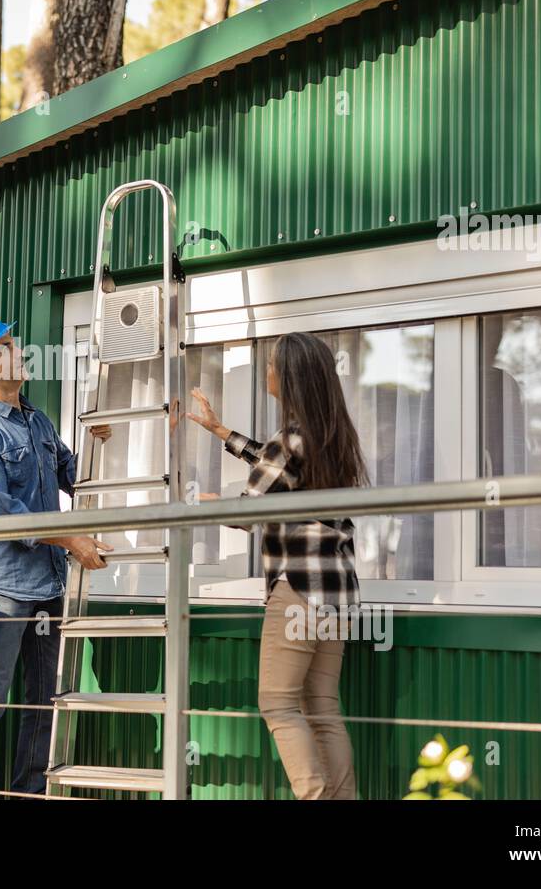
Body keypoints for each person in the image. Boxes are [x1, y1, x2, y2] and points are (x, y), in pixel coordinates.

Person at [185, 331, 366, 800]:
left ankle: (314, 796)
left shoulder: (289, 441)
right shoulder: (333, 436)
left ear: (288, 377)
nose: (266, 373)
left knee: (278, 704)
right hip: (338, 593)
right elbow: (281, 471)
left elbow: (248, 512)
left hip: (299, 593)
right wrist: (222, 432)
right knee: (323, 708)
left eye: (270, 366)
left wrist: (205, 503)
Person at [0, 312, 112, 797]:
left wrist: (99, 441)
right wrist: (73, 541)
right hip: (3, 588)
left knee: (44, 698)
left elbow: (72, 475)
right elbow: (9, 515)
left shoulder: (36, 420)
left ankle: (29, 792)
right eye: (7, 347)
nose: (19, 353)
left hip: (47, 581)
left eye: (15, 343)